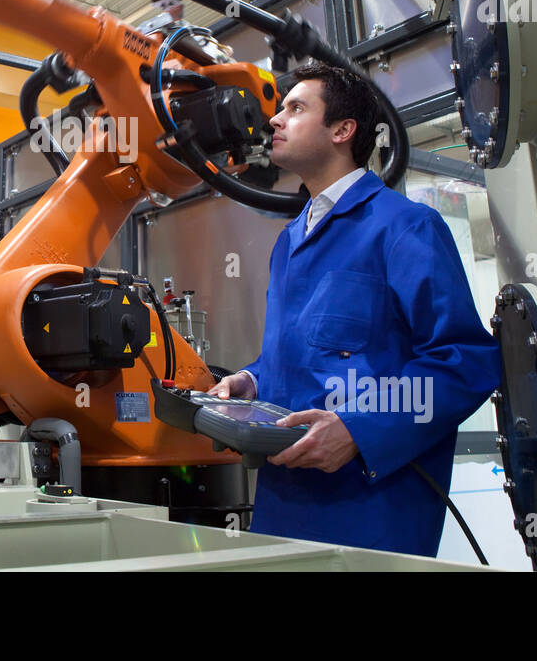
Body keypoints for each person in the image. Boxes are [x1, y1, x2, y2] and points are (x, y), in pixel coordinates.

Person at [207, 63, 500, 557]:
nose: (275, 120)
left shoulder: (405, 228)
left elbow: (464, 363)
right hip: (282, 506)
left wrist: (359, 431)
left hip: (370, 512)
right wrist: (251, 381)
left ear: (343, 131)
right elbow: (301, 355)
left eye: (295, 108)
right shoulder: (289, 241)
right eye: (280, 109)